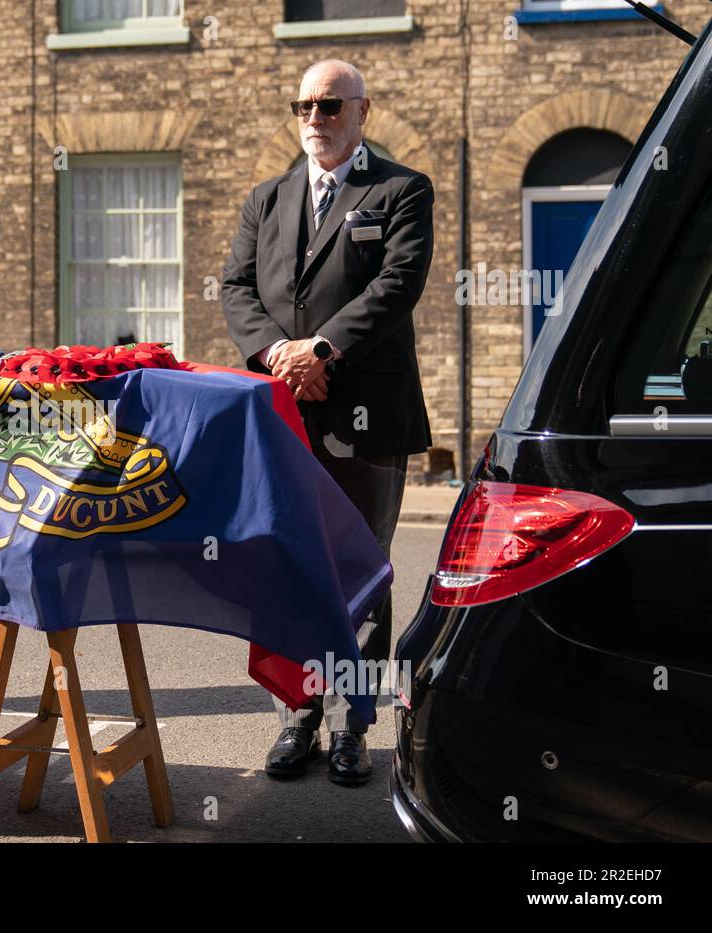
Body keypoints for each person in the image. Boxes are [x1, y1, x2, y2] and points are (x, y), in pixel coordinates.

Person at [221, 59, 434, 785]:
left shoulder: (402, 191)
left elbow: (397, 283)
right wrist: (276, 352)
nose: (316, 119)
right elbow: (237, 285)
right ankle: (297, 717)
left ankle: (354, 725)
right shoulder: (267, 197)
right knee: (289, 566)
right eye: (304, 106)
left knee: (361, 571)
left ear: (362, 111)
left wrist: (324, 349)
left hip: (366, 422)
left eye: (331, 106)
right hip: (283, 415)